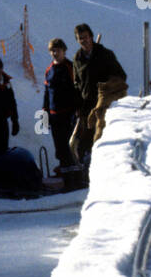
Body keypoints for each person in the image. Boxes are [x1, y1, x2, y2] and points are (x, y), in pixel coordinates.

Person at [71, 25, 127, 158]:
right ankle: (85, 173)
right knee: (84, 143)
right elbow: (77, 83)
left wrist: (108, 88)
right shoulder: (77, 58)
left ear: (91, 37)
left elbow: (121, 76)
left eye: (86, 37)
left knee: (101, 139)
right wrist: (78, 104)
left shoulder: (105, 55)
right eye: (80, 38)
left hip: (103, 105)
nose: (84, 40)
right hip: (86, 106)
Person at [42, 39, 79, 170]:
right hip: (54, 115)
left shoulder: (70, 67)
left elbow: (77, 90)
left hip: (68, 113)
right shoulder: (49, 70)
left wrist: (76, 111)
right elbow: (47, 92)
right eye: (52, 50)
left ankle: (74, 170)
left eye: (57, 50)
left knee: (71, 144)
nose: (55, 53)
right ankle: (63, 168)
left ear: (64, 51)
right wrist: (44, 113)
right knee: (59, 145)